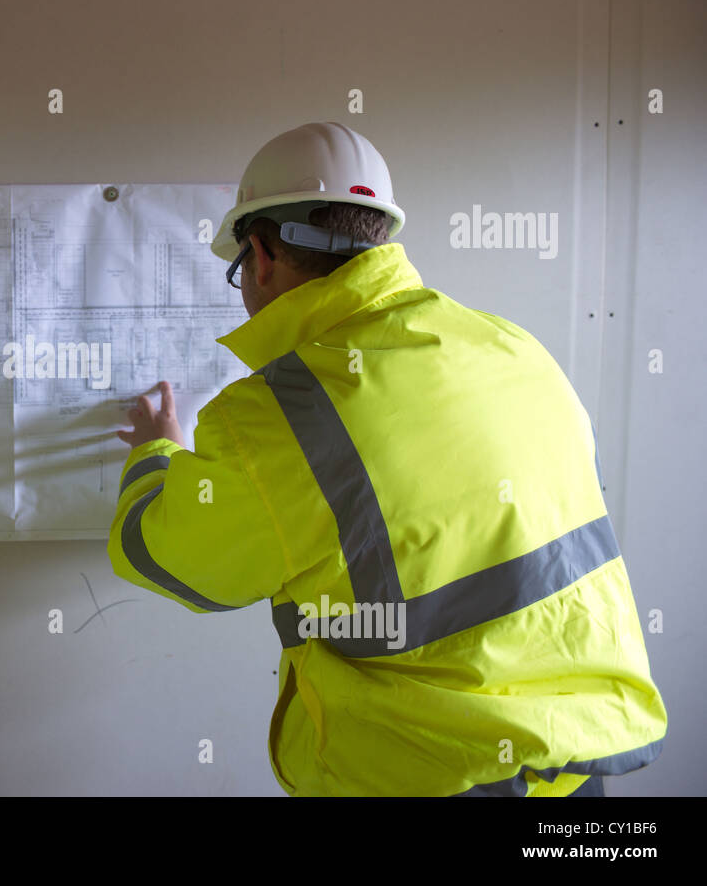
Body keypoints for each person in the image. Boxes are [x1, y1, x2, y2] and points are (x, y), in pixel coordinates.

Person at [108, 121, 667, 796]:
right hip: (573, 771)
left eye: (239, 273)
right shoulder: (514, 347)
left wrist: (156, 453)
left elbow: (167, 559)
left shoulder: (276, 416)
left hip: (427, 777)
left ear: (260, 254)